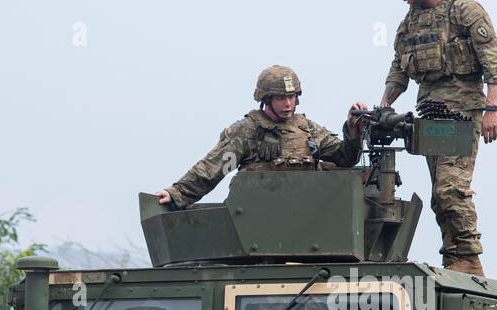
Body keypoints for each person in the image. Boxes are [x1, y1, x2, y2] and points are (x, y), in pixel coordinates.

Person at [378, 0, 497, 277]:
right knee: (439, 195)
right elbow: (398, 70)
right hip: (430, 119)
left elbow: (494, 62)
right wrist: (384, 105)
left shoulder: (464, 12)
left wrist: (493, 108)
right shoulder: (409, 25)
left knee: (452, 189)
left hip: (462, 115)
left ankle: (470, 259)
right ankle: (456, 257)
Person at [157, 66, 367, 209]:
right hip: (258, 217)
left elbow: (345, 158)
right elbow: (213, 168)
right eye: (281, 98)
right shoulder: (248, 131)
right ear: (266, 99)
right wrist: (176, 194)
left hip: (306, 218)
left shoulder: (307, 128)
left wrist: (352, 128)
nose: (288, 104)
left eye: (292, 97)